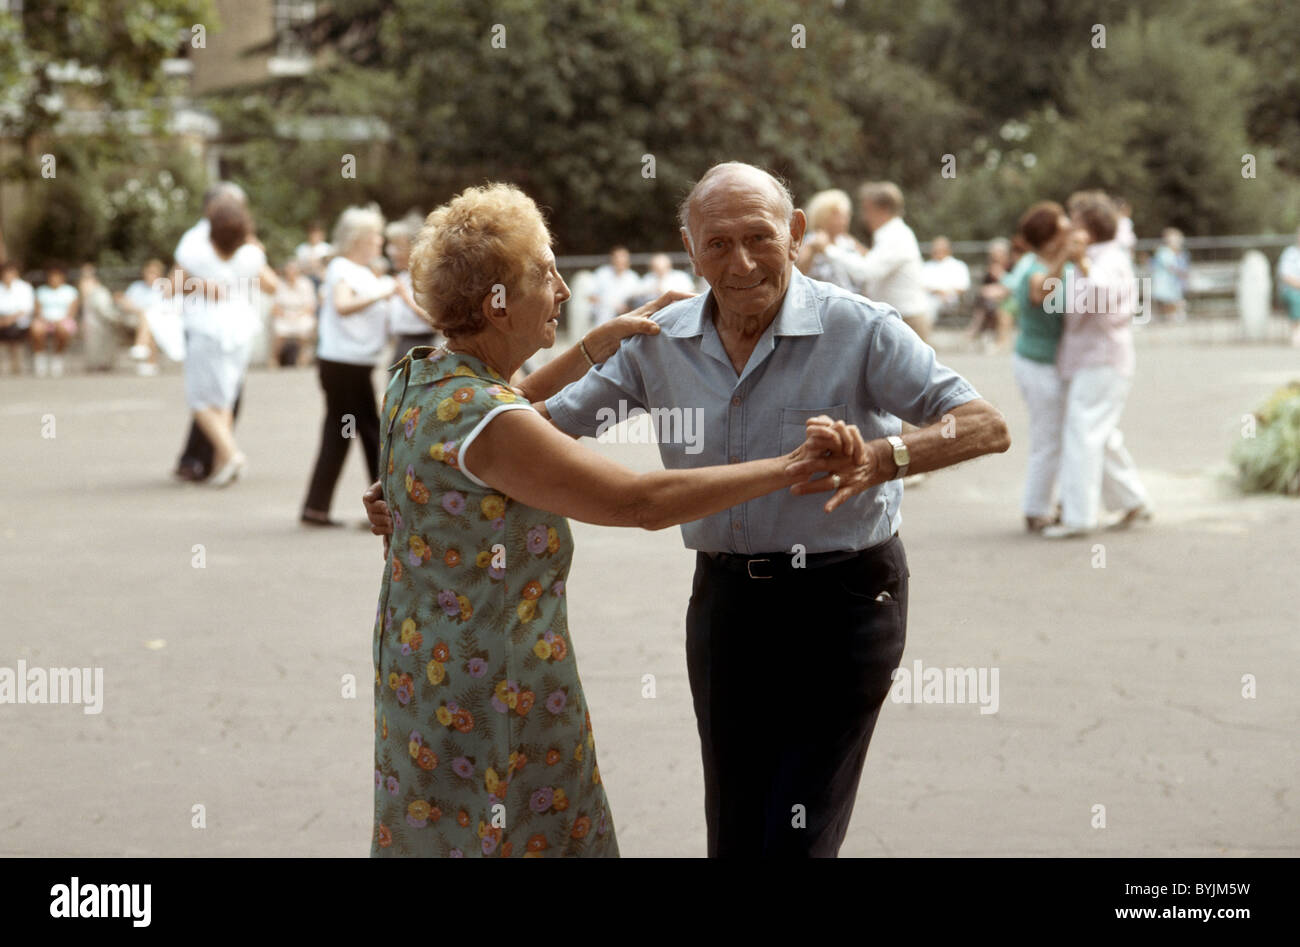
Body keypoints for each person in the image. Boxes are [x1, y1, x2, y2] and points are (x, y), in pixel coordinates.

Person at [366, 162, 1011, 857]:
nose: (740, 262)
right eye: (718, 244)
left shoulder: (860, 329)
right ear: (689, 245)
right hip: (728, 606)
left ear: (795, 233)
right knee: (733, 834)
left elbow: (984, 423)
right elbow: (537, 429)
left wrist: (884, 458)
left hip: (846, 600)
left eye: (759, 238)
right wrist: (427, 475)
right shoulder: (660, 342)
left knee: (796, 831)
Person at [1044, 194, 1151, 538]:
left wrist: (1081, 265)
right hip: (1095, 359)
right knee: (1100, 435)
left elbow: (1100, 297)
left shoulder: (1107, 260)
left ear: (1088, 229)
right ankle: (1132, 499)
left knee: (1083, 434)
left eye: (1075, 222)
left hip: (1102, 359)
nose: (1069, 228)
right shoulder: (1098, 258)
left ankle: (1079, 517)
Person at [300, 205, 398, 526]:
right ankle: (383, 505)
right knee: (369, 431)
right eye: (375, 235)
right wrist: (384, 292)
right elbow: (342, 306)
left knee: (341, 432)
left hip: (352, 364)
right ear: (358, 238)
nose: (380, 241)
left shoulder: (364, 271)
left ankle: (316, 507)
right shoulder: (342, 267)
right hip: (343, 365)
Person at [177, 197, 270, 487]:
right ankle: (221, 463)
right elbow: (272, 285)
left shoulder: (195, 250)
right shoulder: (252, 255)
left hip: (207, 328)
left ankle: (230, 453)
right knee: (225, 398)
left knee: (201, 400)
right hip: (241, 328)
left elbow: (173, 284)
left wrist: (201, 284)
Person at [1008, 203, 1086, 532]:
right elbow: (1041, 292)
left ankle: (1065, 502)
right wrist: (1064, 259)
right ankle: (1035, 508)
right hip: (1036, 363)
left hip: (1052, 363)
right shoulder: (1031, 267)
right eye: (1062, 223)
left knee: (1064, 436)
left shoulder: (1052, 263)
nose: (1069, 226)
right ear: (1050, 236)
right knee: (1047, 438)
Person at [850, 181, 932, 344]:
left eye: (867, 210)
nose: (864, 217)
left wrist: (830, 250)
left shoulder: (895, 236)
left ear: (883, 209)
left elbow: (867, 272)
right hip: (903, 318)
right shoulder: (893, 234)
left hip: (907, 319)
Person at [383, 215, 438, 361]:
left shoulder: (425, 278)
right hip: (400, 345)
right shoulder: (401, 277)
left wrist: (405, 298)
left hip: (419, 346)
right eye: (391, 246)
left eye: (398, 247)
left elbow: (434, 320)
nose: (391, 252)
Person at [795, 188, 868, 291]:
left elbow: (868, 266)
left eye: (845, 215)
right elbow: (798, 275)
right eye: (837, 216)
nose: (844, 221)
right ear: (823, 216)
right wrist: (812, 250)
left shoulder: (846, 242)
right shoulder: (812, 241)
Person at [113, 259, 167, 375]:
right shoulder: (136, 287)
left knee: (150, 321)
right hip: (135, 318)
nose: (151, 275)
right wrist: (139, 310)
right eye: (149, 272)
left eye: (154, 273)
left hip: (159, 320)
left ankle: (141, 348)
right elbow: (123, 300)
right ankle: (150, 362)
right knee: (146, 318)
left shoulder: (165, 289)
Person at [31, 263, 79, 377]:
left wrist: (59, 320)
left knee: (63, 329)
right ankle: (40, 358)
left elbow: (72, 311)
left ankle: (57, 357)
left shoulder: (70, 291)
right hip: (45, 320)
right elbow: (37, 310)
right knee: (36, 329)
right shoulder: (41, 291)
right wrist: (46, 320)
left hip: (63, 321)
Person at [269, 258, 318, 368]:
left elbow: (311, 306)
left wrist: (297, 315)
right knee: (279, 329)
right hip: (284, 315)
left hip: (301, 314)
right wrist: (285, 315)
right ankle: (274, 358)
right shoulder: (279, 284)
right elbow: (274, 306)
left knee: (305, 326)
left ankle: (302, 357)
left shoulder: (306, 284)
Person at [967, 237, 1013, 351]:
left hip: (1009, 298)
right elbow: (984, 286)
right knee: (985, 304)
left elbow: (1013, 286)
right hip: (991, 300)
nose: (994, 255)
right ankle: (980, 335)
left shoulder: (1011, 266)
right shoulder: (990, 268)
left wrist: (998, 281)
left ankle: (975, 332)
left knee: (989, 306)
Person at [586, 246, 642, 328]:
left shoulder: (633, 277)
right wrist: (612, 305)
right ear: (612, 259)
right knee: (606, 311)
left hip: (626, 313)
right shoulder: (602, 273)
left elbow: (637, 298)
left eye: (623, 259)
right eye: (617, 258)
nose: (620, 261)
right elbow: (591, 297)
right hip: (603, 311)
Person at [921, 235, 971, 324]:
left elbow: (963, 287)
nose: (937, 251)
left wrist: (946, 293)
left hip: (950, 297)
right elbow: (922, 285)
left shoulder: (958, 265)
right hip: (929, 296)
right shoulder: (926, 266)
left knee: (928, 305)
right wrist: (937, 292)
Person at [0, 260, 34, 375]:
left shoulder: (24, 287)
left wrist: (9, 319)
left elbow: (26, 309)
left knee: (14, 329)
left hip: (18, 322)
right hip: (2, 320)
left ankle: (17, 364)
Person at [1151, 228, 1190, 324]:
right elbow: (1171, 267)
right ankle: (1166, 318)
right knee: (1167, 301)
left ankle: (1173, 317)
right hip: (1164, 282)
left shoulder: (1180, 253)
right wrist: (1181, 273)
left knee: (1174, 301)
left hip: (1174, 283)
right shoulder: (1163, 252)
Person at [631, 252, 695, 307]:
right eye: (656, 267)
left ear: (668, 265)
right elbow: (636, 293)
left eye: (662, 266)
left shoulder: (680, 276)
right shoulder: (648, 278)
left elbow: (691, 292)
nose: (659, 269)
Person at [1275, 226, 1300, 347]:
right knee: (1296, 297)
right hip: (1291, 289)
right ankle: (1296, 331)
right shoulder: (1290, 253)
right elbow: (1285, 276)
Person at [295, 222, 334, 288]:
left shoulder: (327, 248)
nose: (314, 236)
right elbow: (298, 266)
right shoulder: (301, 249)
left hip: (322, 279)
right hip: (305, 279)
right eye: (312, 233)